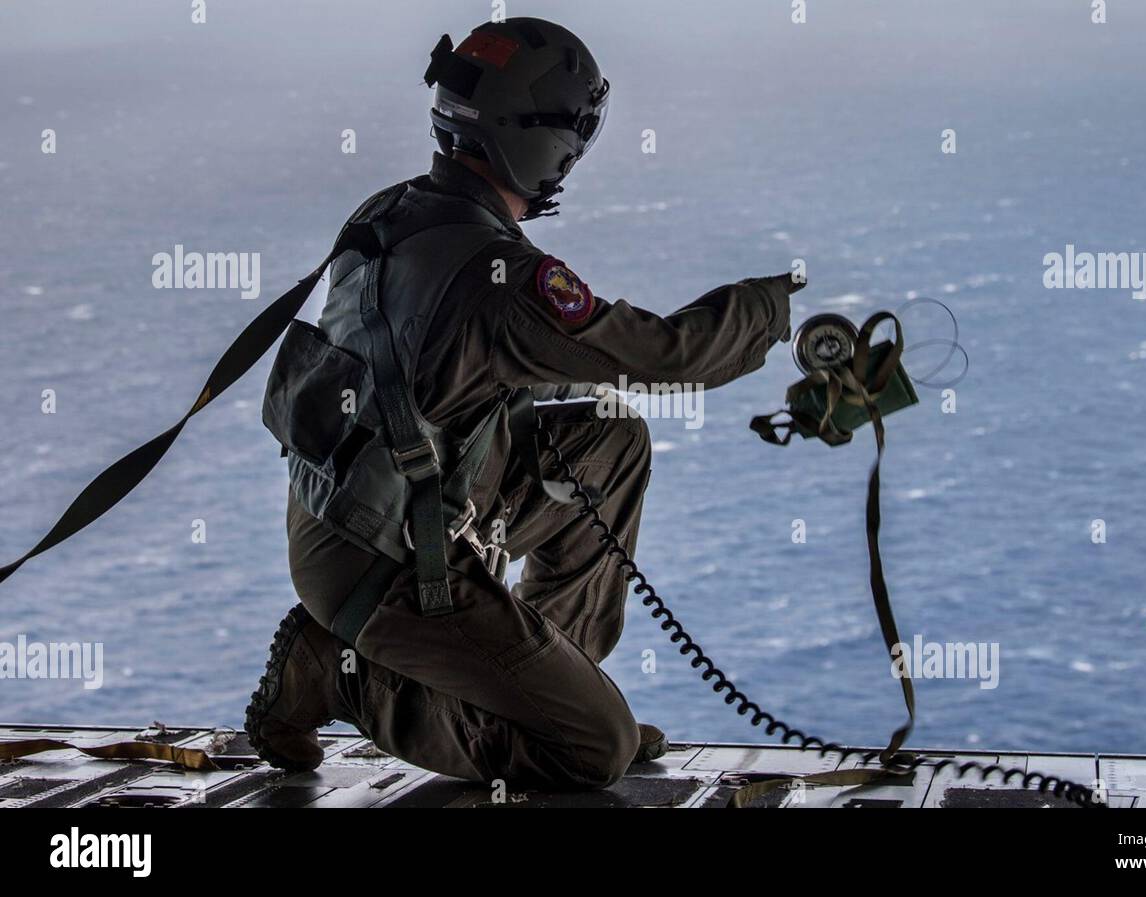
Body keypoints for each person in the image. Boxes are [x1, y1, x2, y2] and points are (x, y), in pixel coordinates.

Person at [246, 16, 802, 790]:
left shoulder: (398, 210)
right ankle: (342, 677)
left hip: (361, 515)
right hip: (385, 565)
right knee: (592, 752)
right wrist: (770, 309)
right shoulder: (494, 271)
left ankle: (547, 689)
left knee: (612, 442)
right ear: (543, 141)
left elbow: (491, 365)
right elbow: (668, 356)